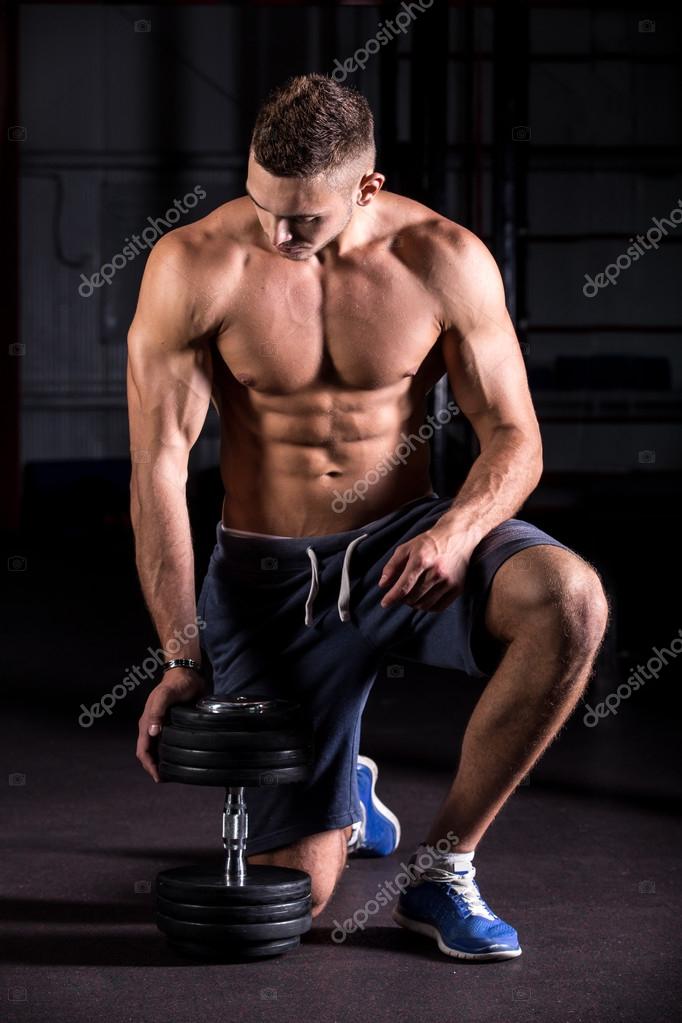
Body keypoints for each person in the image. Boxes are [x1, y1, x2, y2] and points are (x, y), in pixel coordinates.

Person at [127, 73, 609, 961]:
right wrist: (181, 651)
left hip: (403, 551)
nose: (277, 234)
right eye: (263, 203)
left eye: (303, 220)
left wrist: (456, 532)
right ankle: (338, 770)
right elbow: (160, 464)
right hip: (270, 586)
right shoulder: (192, 265)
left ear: (367, 188)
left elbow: (516, 435)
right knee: (298, 908)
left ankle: (443, 866)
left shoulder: (442, 259)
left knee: (570, 601)